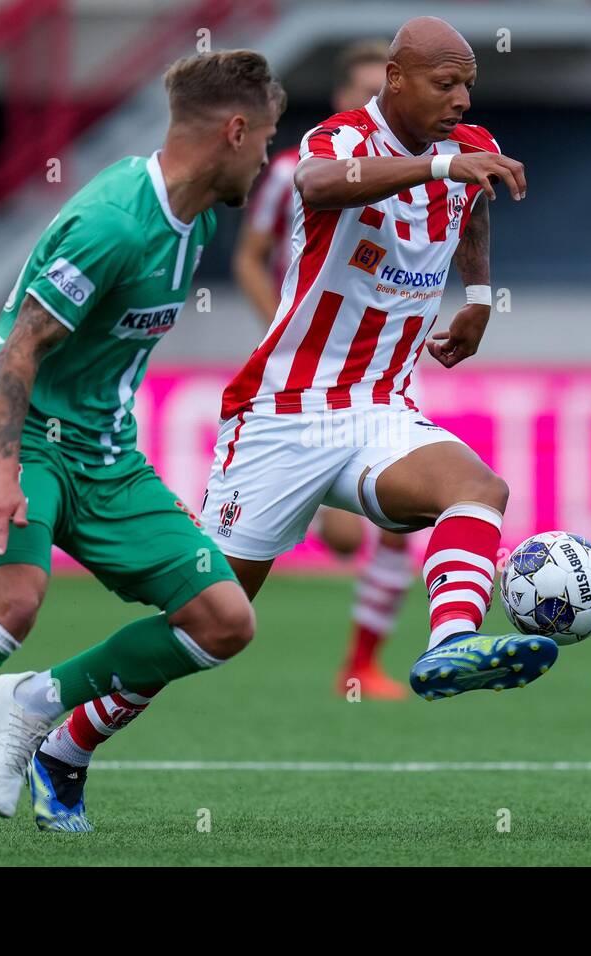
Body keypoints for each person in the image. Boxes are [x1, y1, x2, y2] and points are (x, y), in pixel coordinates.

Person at [34, 16, 556, 835]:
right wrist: (445, 161)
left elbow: (473, 208)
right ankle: (65, 744)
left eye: (468, 86)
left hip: (381, 406)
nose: (460, 99)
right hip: (282, 416)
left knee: (478, 489)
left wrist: (480, 301)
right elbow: (319, 187)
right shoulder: (339, 138)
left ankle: (450, 642)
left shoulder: (467, 146)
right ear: (395, 78)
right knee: (210, 620)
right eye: (444, 83)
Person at [0, 50, 285, 858]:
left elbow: (109, 366)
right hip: (25, 443)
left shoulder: (198, 220)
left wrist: (143, 492)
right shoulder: (115, 224)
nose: (266, 158)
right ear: (234, 131)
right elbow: (20, 350)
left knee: (226, 620)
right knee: (14, 601)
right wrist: (1, 470)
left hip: (106, 455)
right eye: (263, 139)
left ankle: (38, 698)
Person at [233, 39, 412, 701]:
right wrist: (282, 327)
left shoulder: (410, 175)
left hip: (378, 372)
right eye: (366, 94)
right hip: (303, 374)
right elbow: (249, 257)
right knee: (339, 539)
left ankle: (362, 664)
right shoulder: (291, 172)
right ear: (342, 102)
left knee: (401, 523)